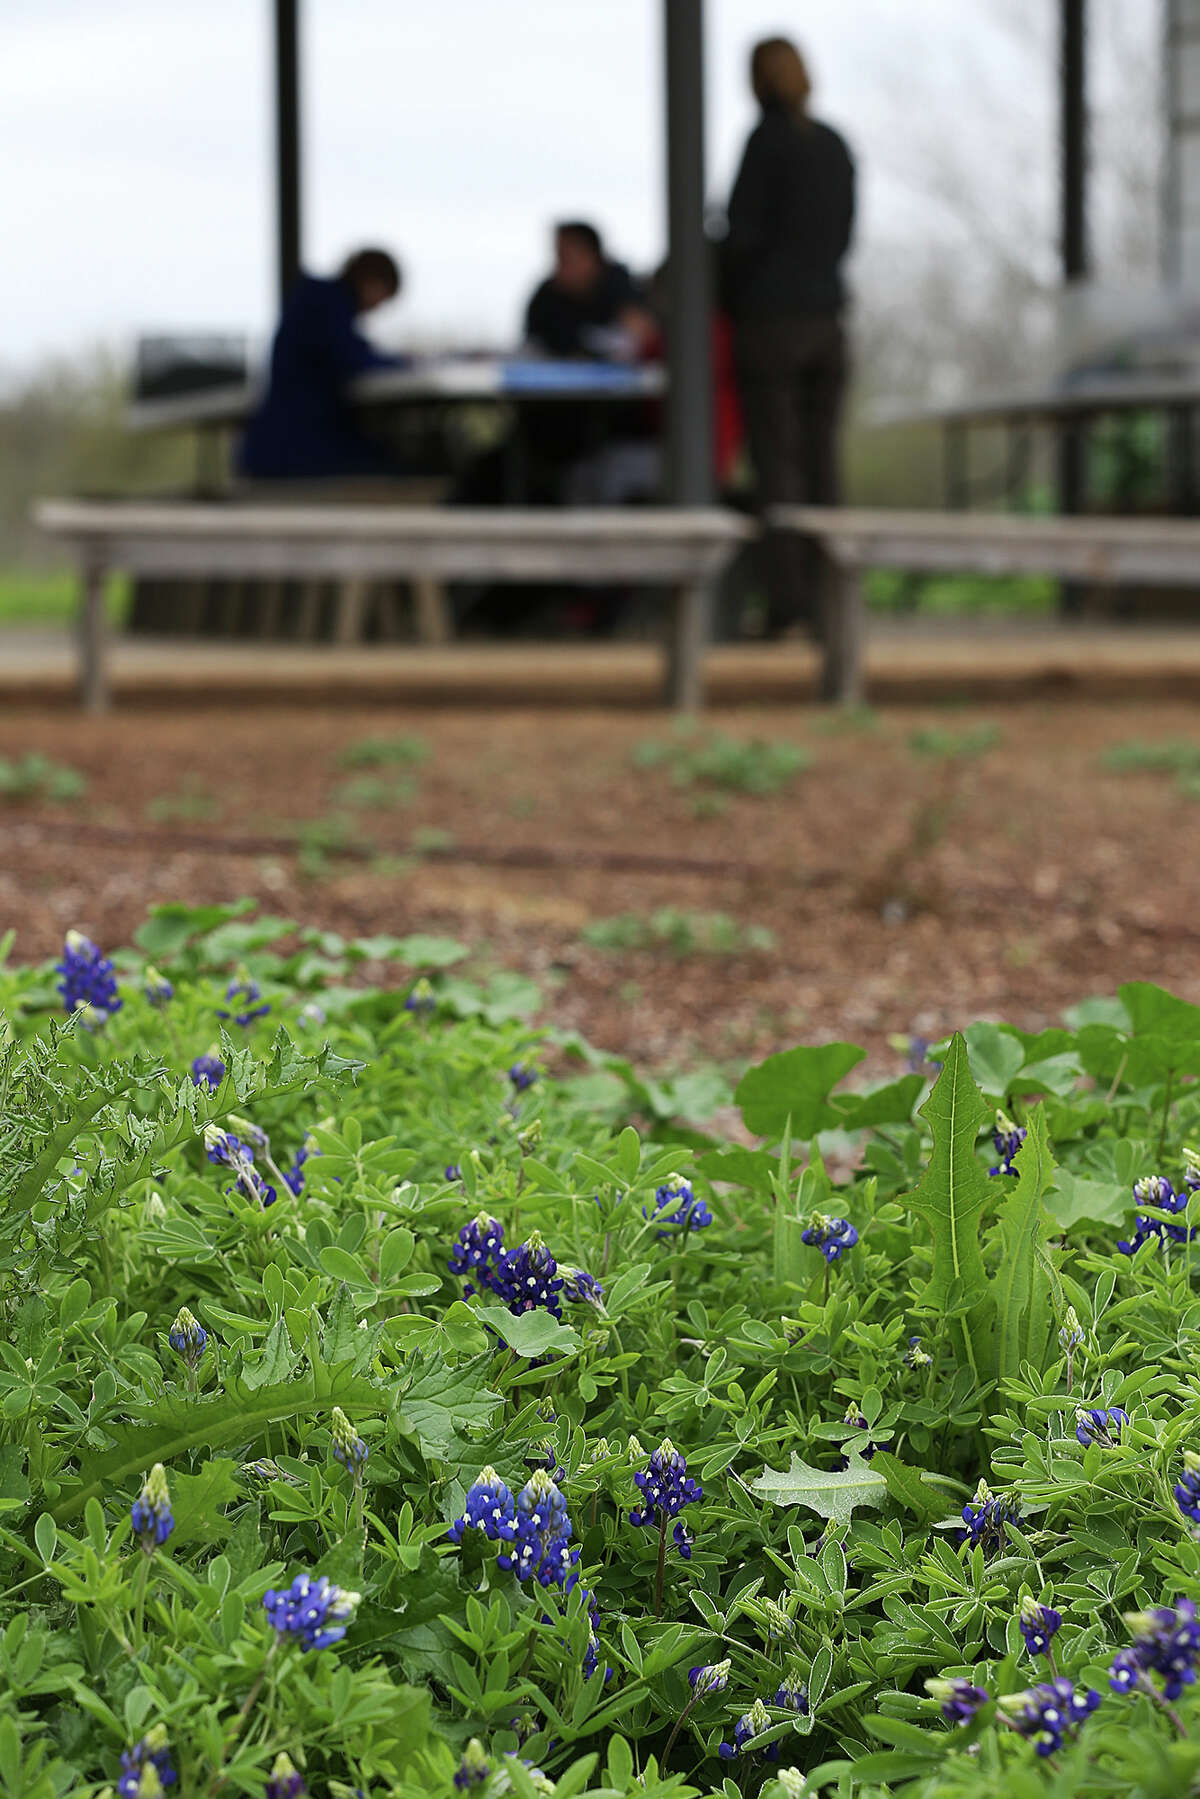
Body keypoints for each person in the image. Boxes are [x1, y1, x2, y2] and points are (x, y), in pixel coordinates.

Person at [724, 38, 855, 635]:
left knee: (778, 466)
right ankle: (832, 604)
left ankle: (788, 605)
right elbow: (846, 235)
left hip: (772, 323)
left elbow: (742, 236)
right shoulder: (832, 145)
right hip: (828, 321)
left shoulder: (766, 142)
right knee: (823, 464)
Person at [238, 247, 407, 480]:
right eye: (383, 297)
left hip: (285, 441)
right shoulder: (327, 305)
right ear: (372, 282)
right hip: (299, 445)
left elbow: (356, 352)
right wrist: (405, 364)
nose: (378, 308)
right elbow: (356, 359)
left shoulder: (321, 301)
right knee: (396, 467)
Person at [524, 221, 654, 362]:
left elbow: (644, 334)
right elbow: (532, 347)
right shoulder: (546, 297)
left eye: (567, 257)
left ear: (592, 257)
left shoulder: (618, 283)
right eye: (558, 256)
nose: (559, 266)